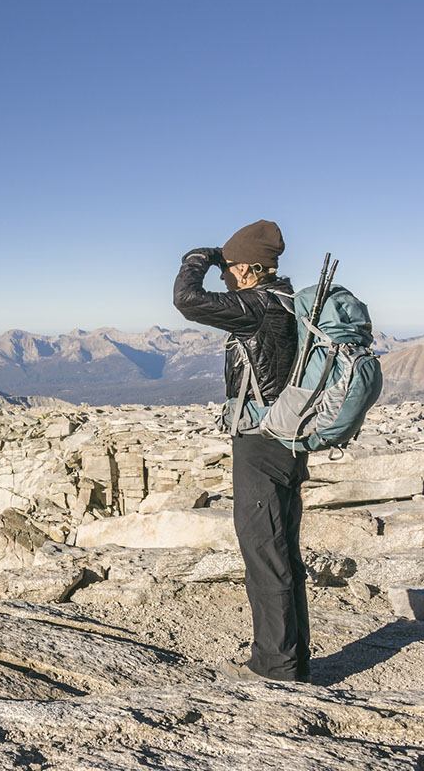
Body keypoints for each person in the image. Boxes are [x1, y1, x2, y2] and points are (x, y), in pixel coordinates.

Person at [172, 219, 311, 683]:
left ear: (251, 269)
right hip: (284, 440)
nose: (225, 276)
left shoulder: (257, 306)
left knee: (263, 552)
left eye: (230, 267)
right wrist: (224, 258)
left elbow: (187, 300)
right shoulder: (285, 301)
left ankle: (274, 668)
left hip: (261, 444)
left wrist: (199, 257)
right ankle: (293, 660)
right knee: (281, 551)